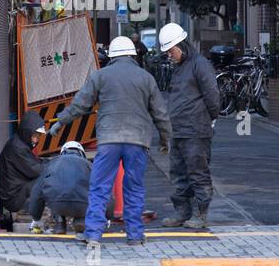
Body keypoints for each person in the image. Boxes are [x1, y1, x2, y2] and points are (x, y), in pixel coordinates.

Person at [49, 35, 172, 247]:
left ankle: (94, 234)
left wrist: (60, 122)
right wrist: (166, 139)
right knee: (134, 188)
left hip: (108, 140)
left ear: (112, 56)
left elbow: (80, 104)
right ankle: (134, 236)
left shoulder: (101, 76)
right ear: (133, 55)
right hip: (137, 141)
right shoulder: (146, 78)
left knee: (99, 187)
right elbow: (160, 113)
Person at [157, 22, 221, 229]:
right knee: (178, 173)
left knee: (197, 172)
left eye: (171, 51)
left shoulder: (199, 64)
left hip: (196, 129)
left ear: (181, 45)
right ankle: (182, 212)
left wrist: (211, 118)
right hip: (179, 129)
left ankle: (201, 214)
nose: (169, 55)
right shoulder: (179, 67)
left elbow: (212, 94)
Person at [26, 141, 92, 234]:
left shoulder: (53, 163)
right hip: (82, 205)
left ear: (62, 152)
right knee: (84, 193)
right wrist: (106, 216)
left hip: (57, 204)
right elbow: (102, 189)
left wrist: (36, 218)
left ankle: (60, 223)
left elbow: (37, 191)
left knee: (55, 191)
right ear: (82, 153)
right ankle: (80, 221)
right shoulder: (89, 165)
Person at [0, 110, 46, 231]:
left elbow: (34, 164)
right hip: (13, 197)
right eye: (34, 136)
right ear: (27, 132)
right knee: (46, 181)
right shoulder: (18, 148)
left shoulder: (18, 143)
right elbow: (37, 170)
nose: (36, 140)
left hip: (13, 191)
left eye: (38, 137)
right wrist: (53, 165)